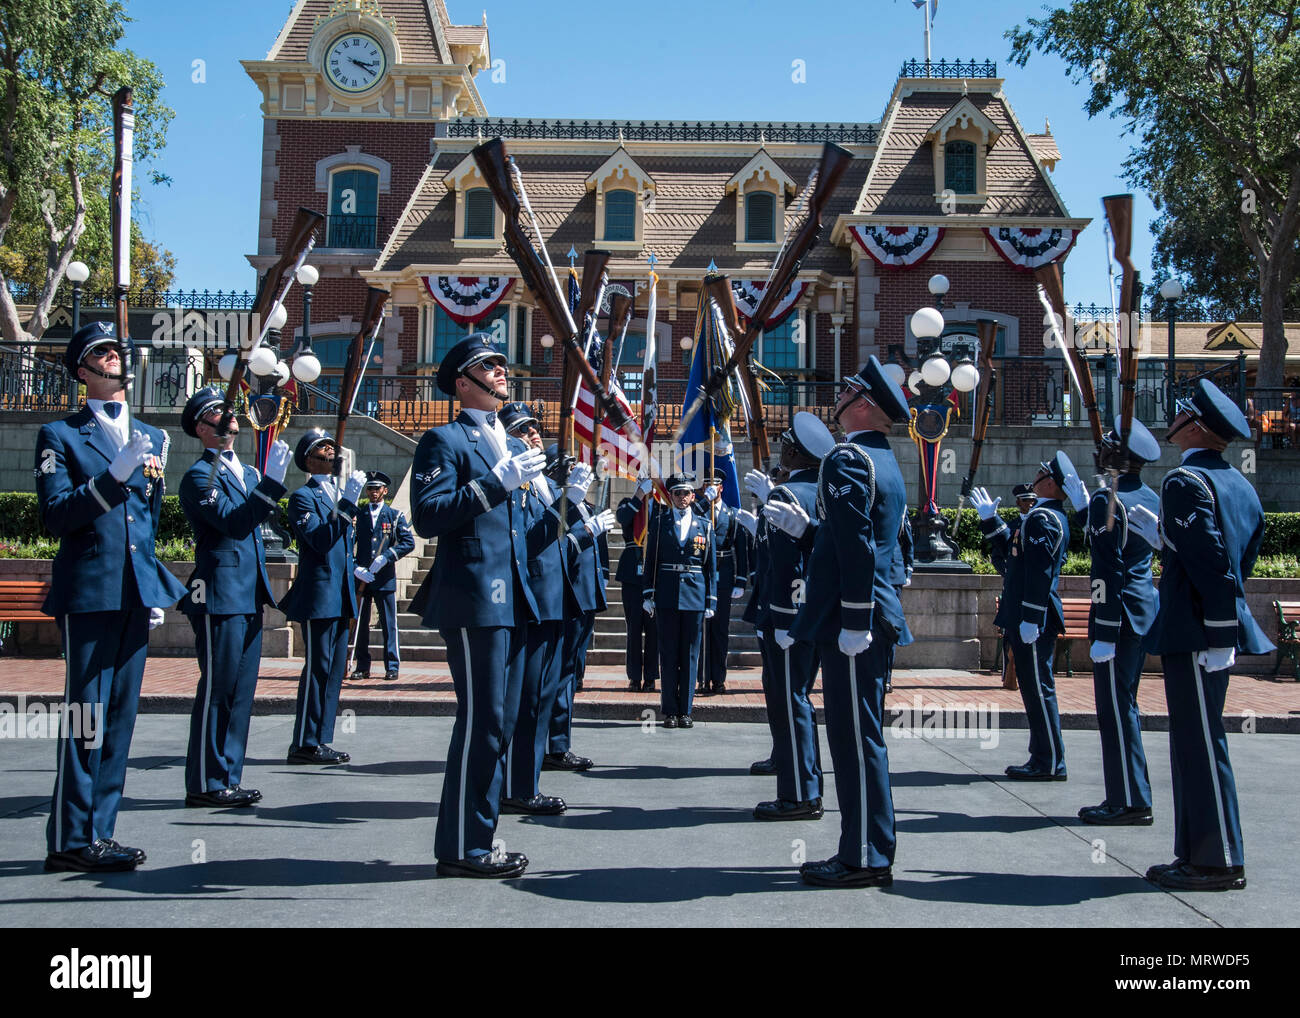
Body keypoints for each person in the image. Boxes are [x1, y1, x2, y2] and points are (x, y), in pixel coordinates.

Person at [37, 320, 187, 872]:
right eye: (100, 352)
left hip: (132, 593)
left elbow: (143, 523)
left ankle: (100, 832)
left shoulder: (151, 434)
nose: (113, 357)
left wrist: (149, 586)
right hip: (90, 591)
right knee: (86, 715)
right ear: (83, 370)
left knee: (120, 718)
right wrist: (110, 481)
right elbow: (55, 515)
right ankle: (71, 838)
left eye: (116, 349)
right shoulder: (61, 434)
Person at [1129, 379, 1273, 892]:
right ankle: (1198, 854)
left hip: (1195, 631)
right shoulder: (1240, 484)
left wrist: (1216, 631)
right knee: (1196, 742)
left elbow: (1213, 566)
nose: (1173, 419)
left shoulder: (1185, 481)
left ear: (1194, 425)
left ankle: (1216, 860)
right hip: (1211, 627)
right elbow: (1240, 561)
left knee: (1199, 744)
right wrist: (1170, 540)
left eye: (1181, 413)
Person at [773, 357, 911, 888]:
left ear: (866, 405)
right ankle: (870, 847)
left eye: (850, 391)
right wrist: (808, 533)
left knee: (855, 740)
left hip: (855, 619)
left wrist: (853, 620)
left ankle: (863, 856)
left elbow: (858, 548)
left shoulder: (847, 459)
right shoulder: (882, 459)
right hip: (868, 611)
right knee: (861, 736)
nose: (840, 399)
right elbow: (850, 540)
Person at [410, 334, 543, 879]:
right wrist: (494, 485)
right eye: (489, 364)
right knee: (481, 722)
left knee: (501, 722)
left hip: (511, 596)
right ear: (463, 382)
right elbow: (429, 515)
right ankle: (463, 847)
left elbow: (521, 528)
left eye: (502, 362)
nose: (501, 369)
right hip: (472, 597)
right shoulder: (444, 440)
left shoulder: (506, 443)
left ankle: (477, 838)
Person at [177, 386, 291, 808]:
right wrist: (271, 487)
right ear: (201, 429)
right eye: (218, 417)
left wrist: (265, 485)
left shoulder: (244, 473)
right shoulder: (199, 476)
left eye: (230, 415)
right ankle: (205, 781)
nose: (229, 422)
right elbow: (233, 523)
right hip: (219, 595)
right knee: (218, 689)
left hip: (248, 594)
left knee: (242, 693)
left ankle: (227, 774)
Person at [498, 404, 612, 813]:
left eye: (533, 429)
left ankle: (522, 784)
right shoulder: (517, 485)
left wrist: (577, 519)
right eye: (521, 430)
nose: (532, 435)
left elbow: (557, 543)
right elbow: (527, 543)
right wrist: (570, 507)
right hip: (534, 603)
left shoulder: (541, 485)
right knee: (527, 700)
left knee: (542, 698)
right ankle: (516, 787)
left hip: (557, 601)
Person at [971, 450, 1085, 782]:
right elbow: (1014, 557)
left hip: (1031, 617)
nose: (1034, 478)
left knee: (1039, 689)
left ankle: (1050, 761)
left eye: (1040, 474)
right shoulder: (1040, 517)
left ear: (1049, 483)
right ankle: (1041, 757)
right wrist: (992, 523)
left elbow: (1039, 570)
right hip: (1025, 615)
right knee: (1033, 689)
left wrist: (1032, 617)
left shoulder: (1043, 519)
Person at [1077, 418, 1161, 827]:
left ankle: (1127, 801)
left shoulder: (1105, 499)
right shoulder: (1149, 495)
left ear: (1117, 456)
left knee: (1114, 709)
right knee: (1125, 704)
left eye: (1107, 444)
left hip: (1118, 616)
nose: (1100, 449)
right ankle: (1132, 794)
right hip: (1142, 612)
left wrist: (1105, 629)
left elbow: (1105, 569)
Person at [752, 412, 834, 822]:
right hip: (815, 616)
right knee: (799, 699)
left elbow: (786, 564)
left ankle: (799, 794)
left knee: (789, 703)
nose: (780, 448)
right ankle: (806, 784)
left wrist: (785, 618)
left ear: (792, 451)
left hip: (788, 619)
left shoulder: (785, 496)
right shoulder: (824, 493)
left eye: (785, 443)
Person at [279, 429, 367, 766]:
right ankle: (303, 741)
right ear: (308, 459)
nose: (329, 451)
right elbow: (319, 540)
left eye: (331, 446)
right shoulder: (304, 497)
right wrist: (346, 506)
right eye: (321, 448)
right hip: (318, 595)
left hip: (340, 593)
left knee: (333, 671)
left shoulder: (336, 492)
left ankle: (320, 738)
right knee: (317, 668)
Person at [544, 444, 612, 770]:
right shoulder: (557, 506)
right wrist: (584, 530)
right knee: (560, 675)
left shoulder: (582, 504)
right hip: (566, 599)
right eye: (570, 468)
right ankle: (554, 747)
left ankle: (559, 743)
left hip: (584, 599)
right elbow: (558, 549)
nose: (578, 473)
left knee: (570, 673)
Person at [642, 473, 716, 728]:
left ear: (693, 496)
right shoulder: (660, 522)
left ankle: (686, 710)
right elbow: (650, 560)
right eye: (677, 493)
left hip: (695, 594)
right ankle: (669, 711)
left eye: (686, 493)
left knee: (690, 654)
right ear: (670, 496)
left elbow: (710, 566)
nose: (682, 498)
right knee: (669, 653)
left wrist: (711, 600)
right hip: (667, 593)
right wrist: (648, 594)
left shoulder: (705, 524)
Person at [350, 471, 415, 682]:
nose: (373, 492)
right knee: (360, 624)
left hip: (384, 577)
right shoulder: (358, 515)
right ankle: (362, 665)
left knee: (389, 623)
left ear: (385, 491)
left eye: (377, 489)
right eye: (370, 488)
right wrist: (355, 568)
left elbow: (407, 542)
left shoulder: (395, 516)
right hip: (363, 578)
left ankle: (392, 665)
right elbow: (347, 545)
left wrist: (387, 557)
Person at [694, 470, 748, 696]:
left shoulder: (732, 515)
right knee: (700, 629)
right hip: (702, 574)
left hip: (723, 575)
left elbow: (742, 549)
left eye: (714, 484)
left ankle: (718, 678)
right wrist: (704, 503)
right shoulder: (699, 511)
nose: (711, 488)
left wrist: (741, 580)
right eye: (707, 484)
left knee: (720, 630)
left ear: (721, 488)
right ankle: (701, 678)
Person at [739, 465, 776, 775]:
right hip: (767, 607)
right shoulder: (767, 512)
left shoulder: (786, 506)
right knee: (774, 688)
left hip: (785, 612)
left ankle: (796, 769)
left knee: (788, 693)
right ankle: (782, 753)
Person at [616, 476, 659, 693]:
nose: (644, 483)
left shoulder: (661, 507)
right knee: (633, 627)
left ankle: (650, 676)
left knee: (653, 629)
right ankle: (634, 676)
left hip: (654, 573)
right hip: (632, 571)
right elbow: (623, 519)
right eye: (640, 480)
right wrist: (638, 496)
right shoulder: (627, 502)